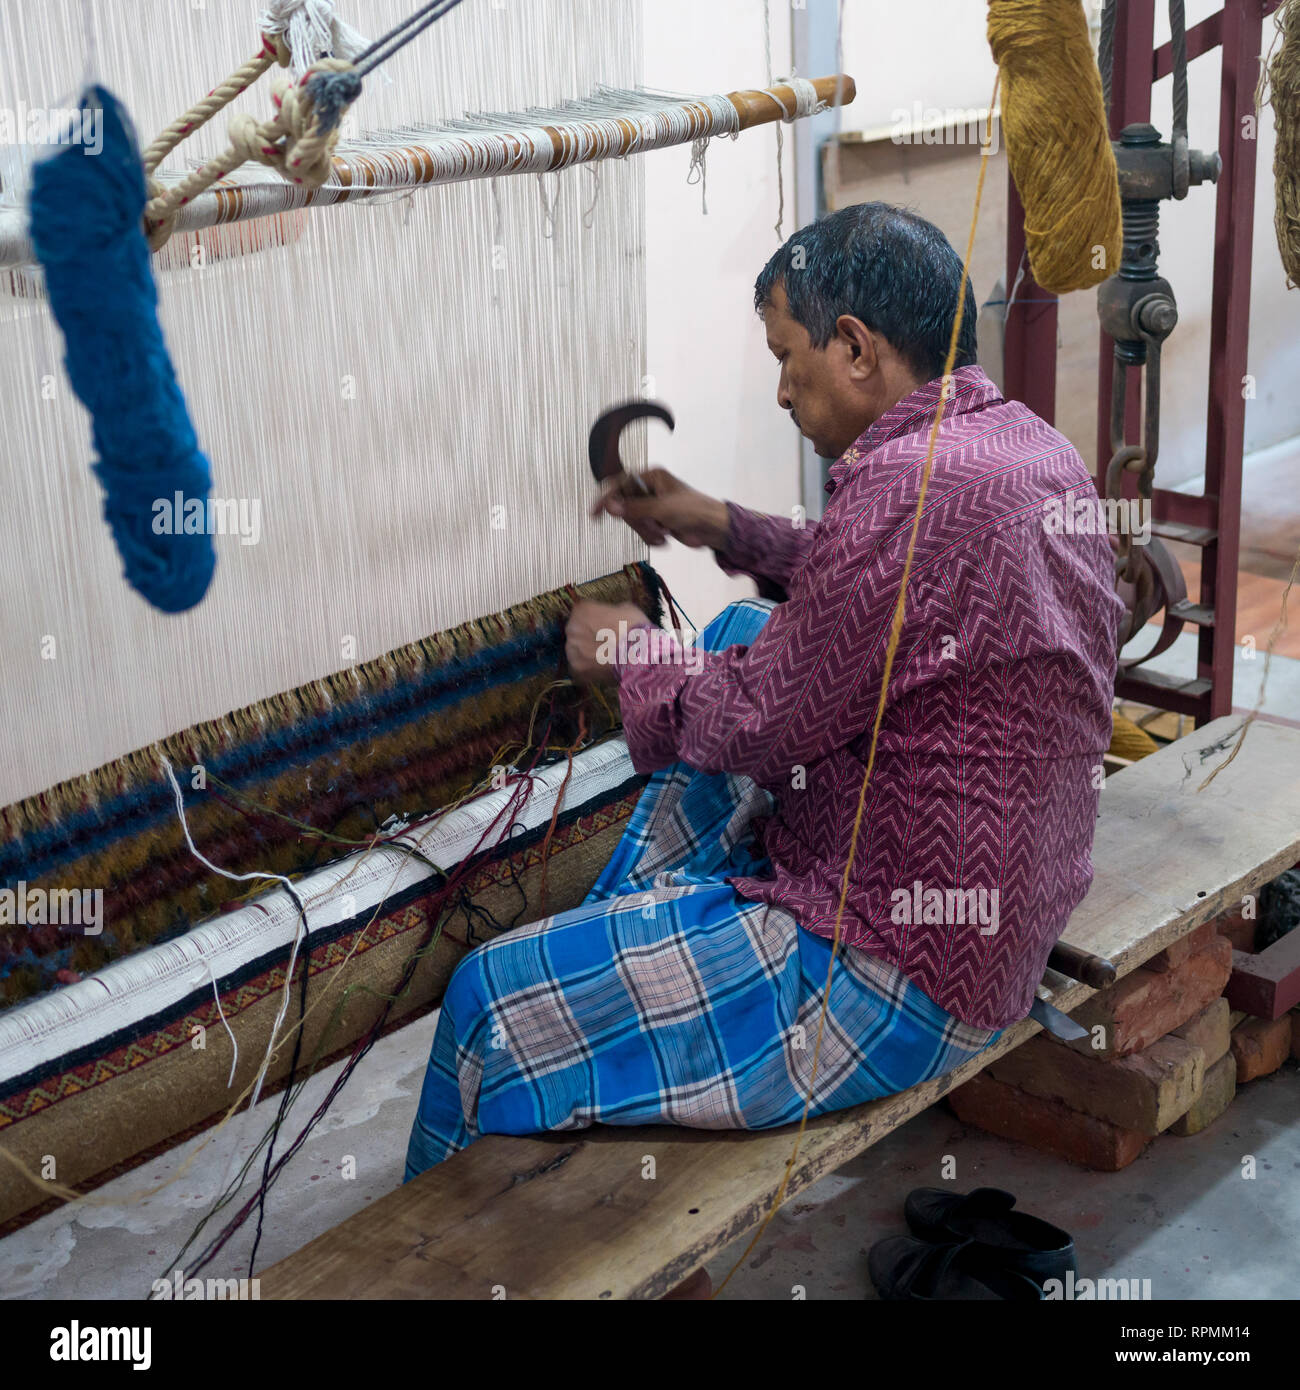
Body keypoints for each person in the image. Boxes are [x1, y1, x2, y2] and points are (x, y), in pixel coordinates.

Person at [405, 201, 1123, 1192]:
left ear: (856, 348)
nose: (783, 390)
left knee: (490, 995)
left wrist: (633, 656)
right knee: (743, 633)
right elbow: (878, 592)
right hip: (1003, 922)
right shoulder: (1022, 446)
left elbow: (758, 720)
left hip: (891, 975)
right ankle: (647, 929)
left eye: (790, 358)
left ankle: (441, 1247)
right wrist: (720, 524)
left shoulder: (900, 492)